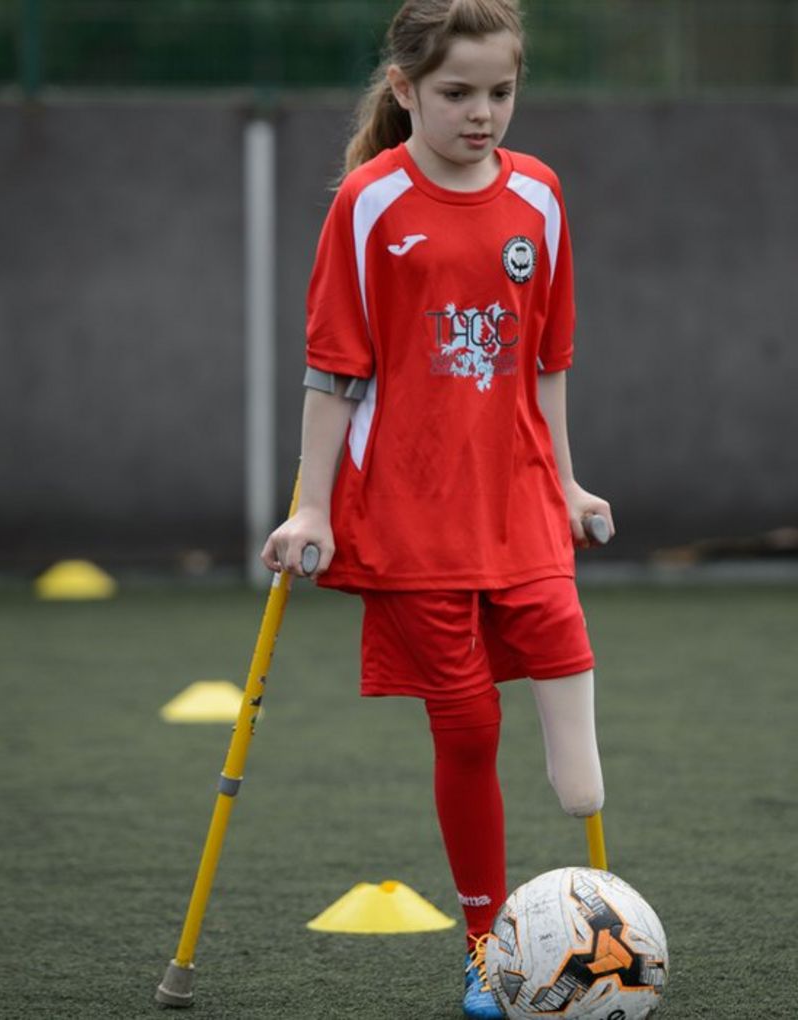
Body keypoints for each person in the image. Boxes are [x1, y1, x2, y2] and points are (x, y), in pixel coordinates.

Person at [262, 1, 613, 1016]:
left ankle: (589, 876)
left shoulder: (540, 197)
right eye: (457, 94)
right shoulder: (369, 202)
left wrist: (568, 480)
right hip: (408, 514)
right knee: (464, 732)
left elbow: (548, 364)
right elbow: (333, 371)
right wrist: (311, 510)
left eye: (500, 93)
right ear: (406, 90)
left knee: (567, 707)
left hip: (516, 498)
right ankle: (484, 948)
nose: (482, 114)